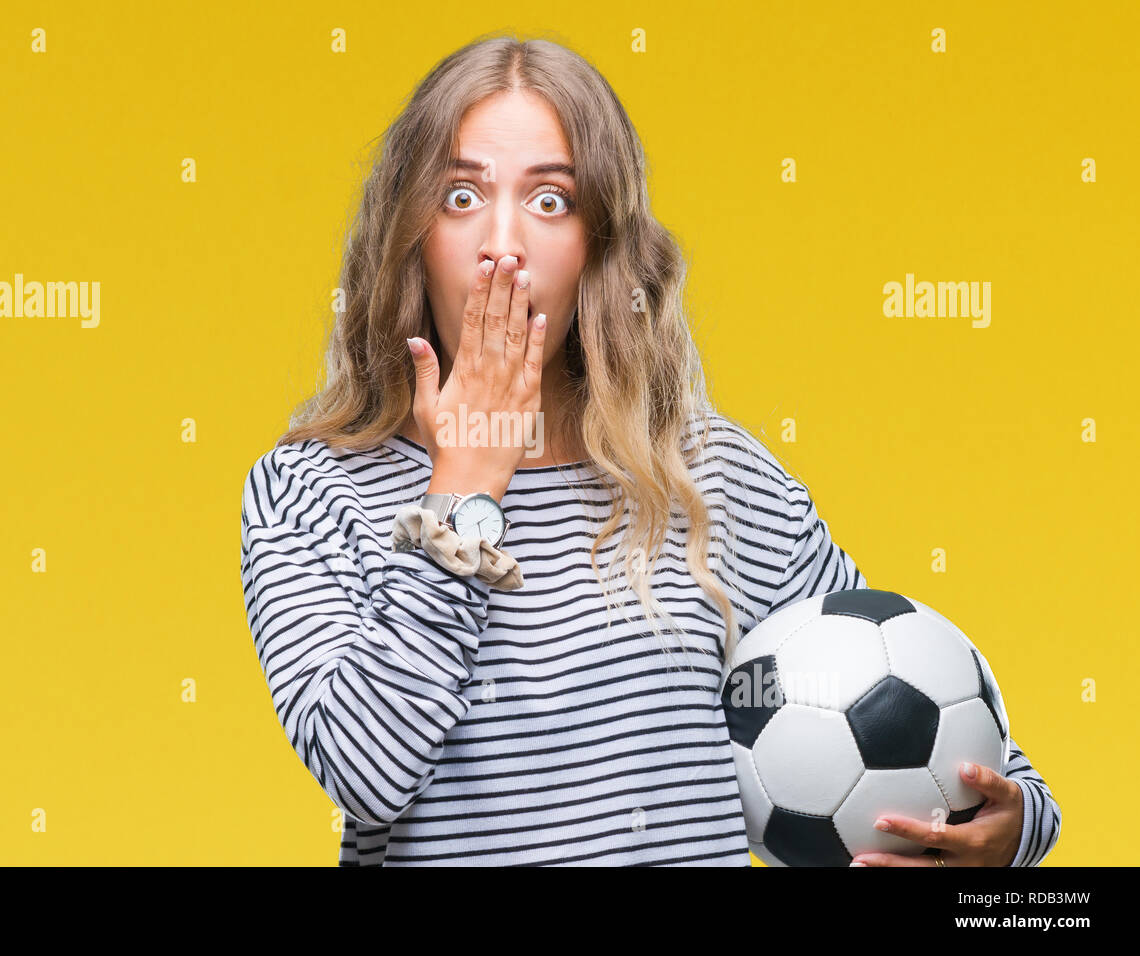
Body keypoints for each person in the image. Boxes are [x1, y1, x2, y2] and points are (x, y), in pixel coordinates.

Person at [240, 34, 1061, 866]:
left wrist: (1012, 827)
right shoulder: (307, 490)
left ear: (601, 247)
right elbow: (364, 773)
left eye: (550, 201)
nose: (503, 246)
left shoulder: (710, 476)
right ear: (409, 233)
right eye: (460, 195)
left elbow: (920, 704)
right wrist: (464, 491)